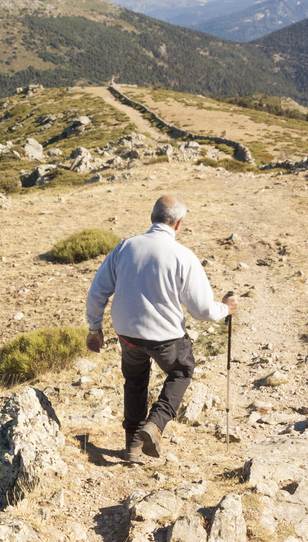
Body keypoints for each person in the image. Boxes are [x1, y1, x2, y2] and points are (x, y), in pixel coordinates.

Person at [85, 195, 238, 463]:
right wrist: (226, 309)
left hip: (127, 335)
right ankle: (154, 424)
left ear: (151, 217)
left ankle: (132, 447)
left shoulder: (125, 247)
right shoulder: (183, 256)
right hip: (165, 338)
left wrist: (94, 327)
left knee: (134, 382)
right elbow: (201, 310)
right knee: (182, 370)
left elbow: (98, 290)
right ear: (179, 223)